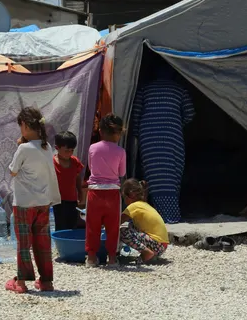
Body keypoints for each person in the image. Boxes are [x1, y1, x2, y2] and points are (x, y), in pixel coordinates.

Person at [131, 60, 195, 224]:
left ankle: (155, 214)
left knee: (153, 174)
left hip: (148, 136)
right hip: (172, 135)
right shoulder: (179, 90)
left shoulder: (145, 89)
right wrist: (174, 123)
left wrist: (138, 133)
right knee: (172, 174)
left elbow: (136, 115)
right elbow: (190, 114)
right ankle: (171, 213)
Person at [6, 107, 61, 294]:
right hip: (43, 202)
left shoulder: (23, 148)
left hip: (23, 203)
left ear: (26, 125)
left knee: (24, 243)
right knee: (42, 243)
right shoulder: (47, 148)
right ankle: (46, 281)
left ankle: (21, 282)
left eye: (21, 126)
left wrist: (20, 145)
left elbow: (13, 171)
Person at [85, 113, 126, 267]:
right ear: (119, 133)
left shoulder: (92, 148)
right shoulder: (121, 151)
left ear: (100, 131)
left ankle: (91, 258)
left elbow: (91, 167)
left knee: (92, 226)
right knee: (113, 227)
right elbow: (122, 173)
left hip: (94, 192)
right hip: (112, 193)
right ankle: (112, 259)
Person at [120, 178, 169, 262]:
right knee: (131, 225)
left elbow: (117, 221)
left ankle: (147, 253)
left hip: (157, 244)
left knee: (122, 232)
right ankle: (151, 254)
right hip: (162, 245)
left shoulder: (134, 206)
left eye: (124, 197)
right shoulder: (144, 205)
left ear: (130, 195)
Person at [52, 131, 84, 231]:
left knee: (72, 226)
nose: (69, 153)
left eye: (72, 150)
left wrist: (80, 191)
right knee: (60, 227)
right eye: (66, 151)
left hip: (72, 200)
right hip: (57, 202)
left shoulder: (75, 161)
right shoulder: (52, 163)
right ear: (57, 148)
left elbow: (77, 177)